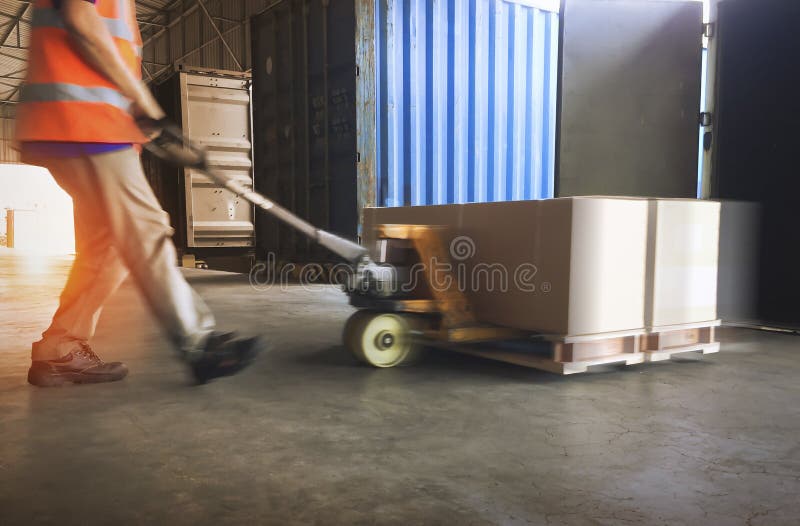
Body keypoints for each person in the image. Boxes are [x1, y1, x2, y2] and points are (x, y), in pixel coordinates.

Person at [16, 0, 262, 387]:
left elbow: (100, 49)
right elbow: (80, 20)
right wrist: (148, 106)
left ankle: (60, 348)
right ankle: (199, 345)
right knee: (146, 230)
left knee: (108, 246)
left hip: (79, 124)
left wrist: (137, 117)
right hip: (84, 123)